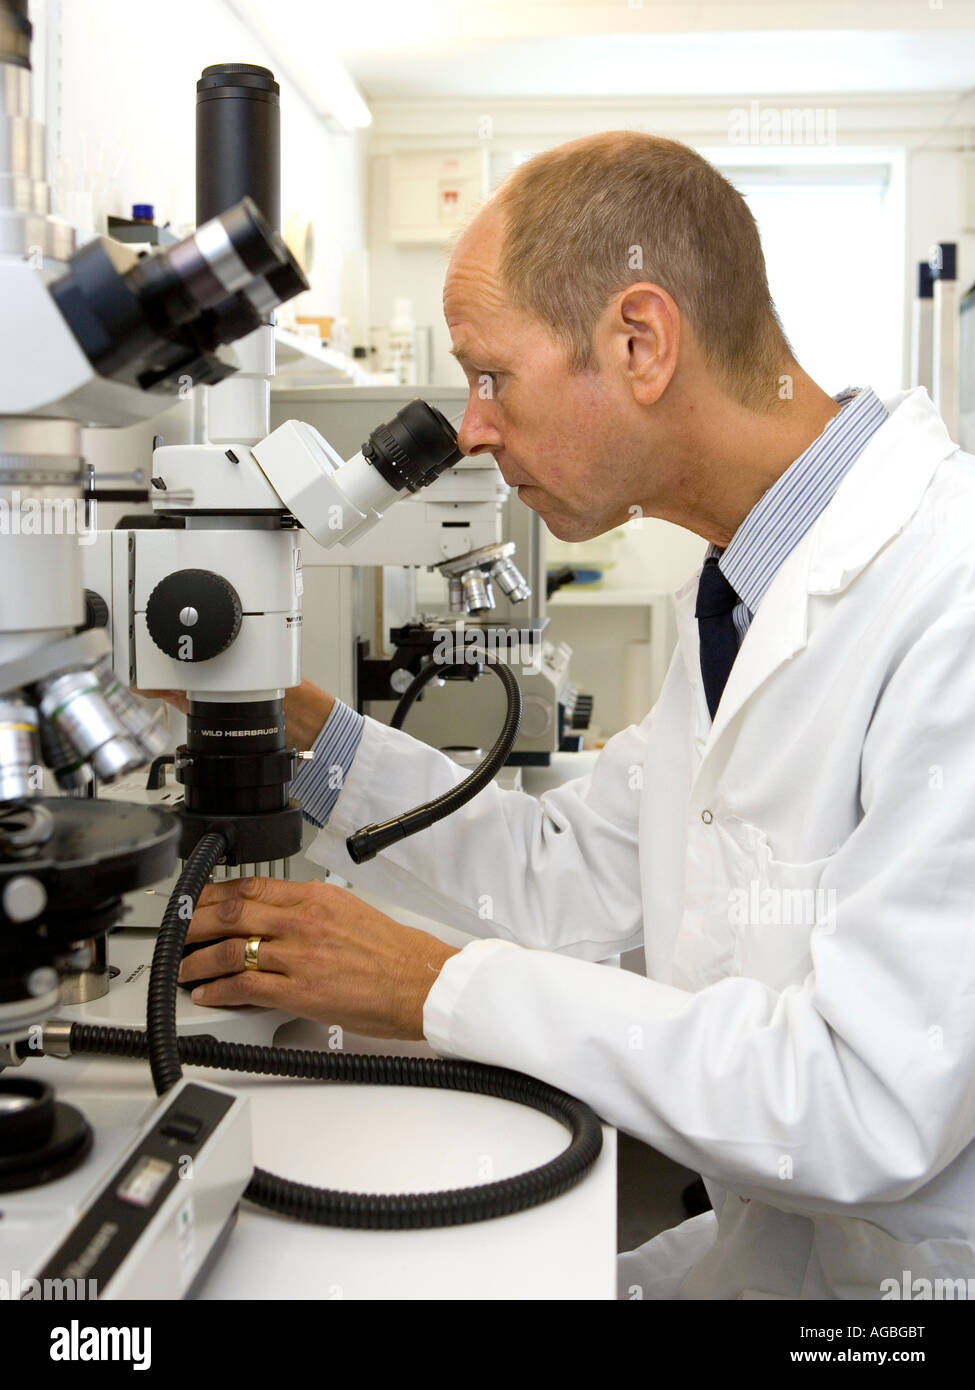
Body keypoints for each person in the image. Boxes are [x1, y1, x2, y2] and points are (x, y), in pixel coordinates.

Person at [169, 132, 975, 1299]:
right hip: (784, 1259)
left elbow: (865, 1101)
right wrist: (307, 736)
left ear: (639, 343)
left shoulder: (947, 594)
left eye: (492, 375)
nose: (473, 426)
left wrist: (428, 985)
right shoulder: (748, 584)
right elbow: (566, 874)